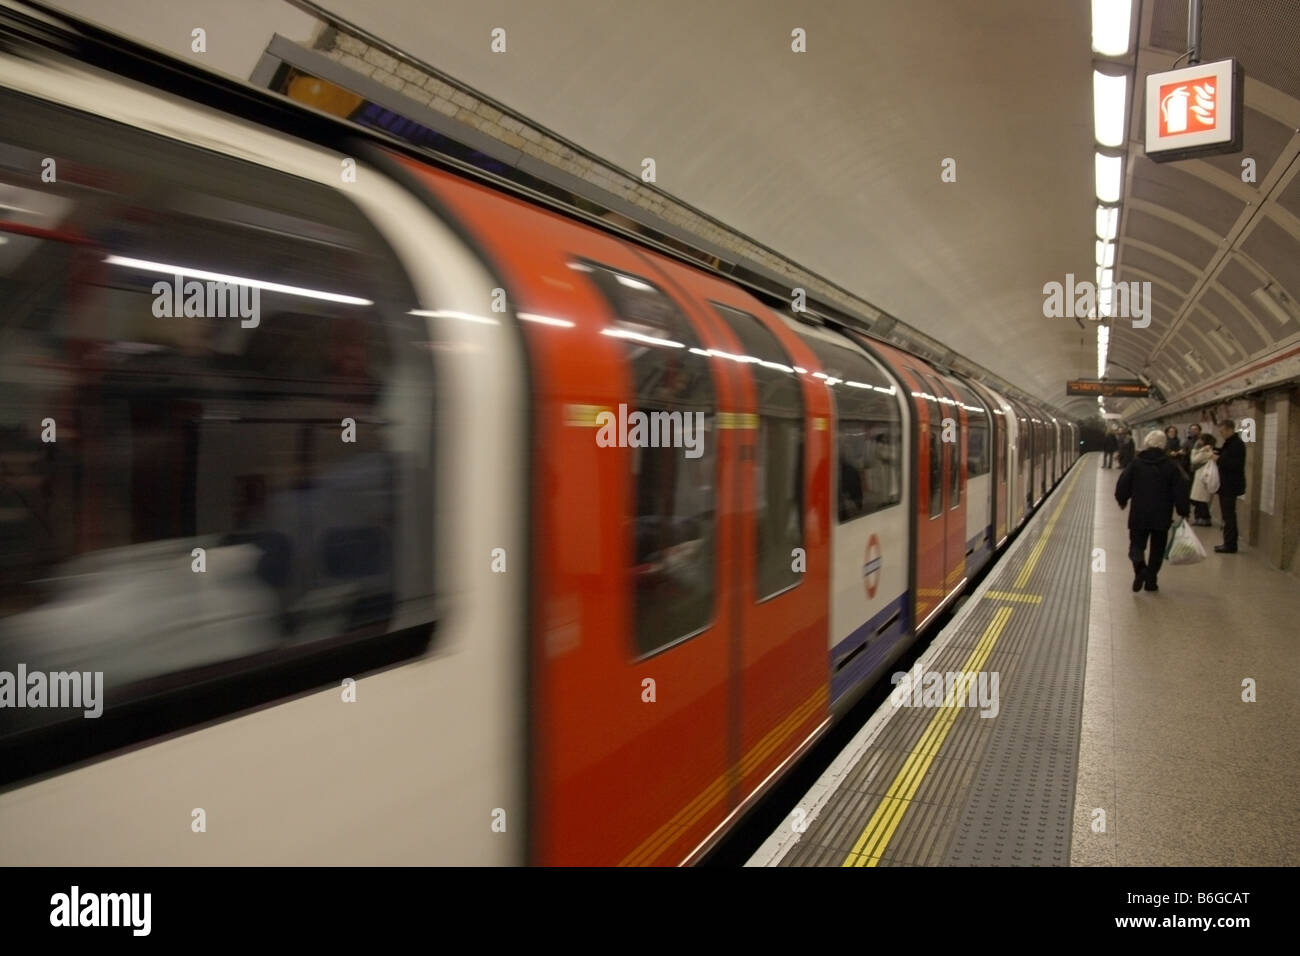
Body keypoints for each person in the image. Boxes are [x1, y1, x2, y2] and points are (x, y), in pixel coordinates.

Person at [1115, 429, 1190, 592]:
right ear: (1164, 445)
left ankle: (1140, 570)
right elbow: (1180, 489)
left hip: (1139, 514)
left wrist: (1122, 500)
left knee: (1136, 546)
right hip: (1162, 515)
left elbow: (1123, 484)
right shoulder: (1171, 465)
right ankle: (1151, 580)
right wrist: (1183, 510)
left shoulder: (1136, 463)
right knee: (1157, 549)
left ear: (1147, 443)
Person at [1214, 419, 1246, 553]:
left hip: (1230, 485)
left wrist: (1218, 459)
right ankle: (1228, 542)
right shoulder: (1231, 443)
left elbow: (1235, 464)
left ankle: (1230, 545)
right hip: (1227, 484)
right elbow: (1226, 453)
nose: (1221, 434)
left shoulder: (1237, 444)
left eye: (1222, 431)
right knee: (1227, 515)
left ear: (1229, 429)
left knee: (1229, 516)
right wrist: (1215, 451)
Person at [1188, 433, 1216, 526]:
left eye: (1200, 439)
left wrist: (1194, 449)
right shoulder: (1207, 450)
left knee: (1201, 500)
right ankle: (1201, 519)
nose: (1198, 441)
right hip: (1202, 477)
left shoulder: (1205, 451)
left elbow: (1193, 460)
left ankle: (1203, 519)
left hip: (1202, 478)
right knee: (1200, 500)